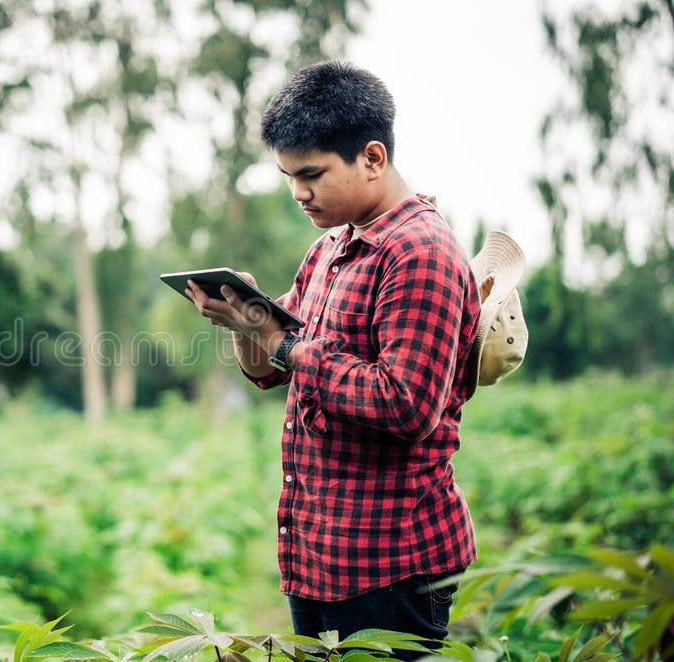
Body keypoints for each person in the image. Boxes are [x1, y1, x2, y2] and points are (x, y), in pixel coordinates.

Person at [185, 61, 481, 657]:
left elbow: (405, 405)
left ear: (372, 158)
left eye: (312, 174)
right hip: (320, 556)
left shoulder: (420, 253)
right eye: (289, 176)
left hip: (392, 566)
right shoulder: (330, 249)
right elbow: (269, 370)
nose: (299, 193)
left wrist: (281, 341)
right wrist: (247, 317)